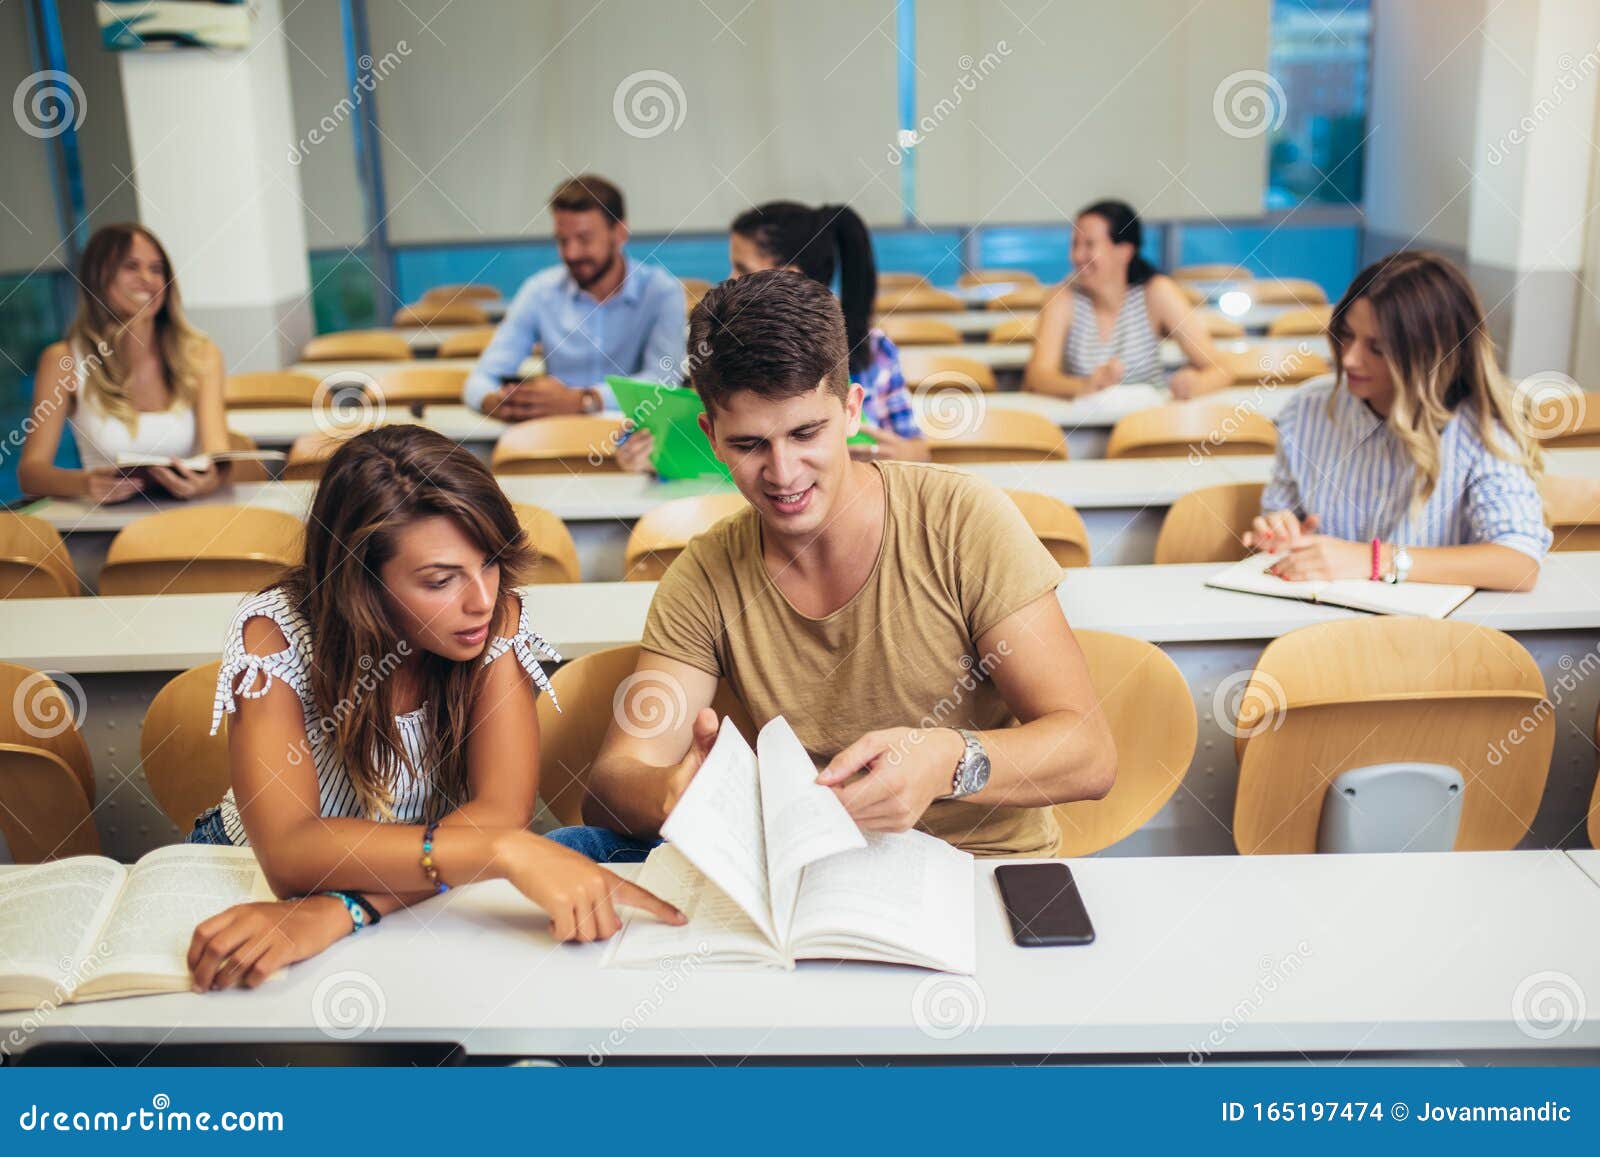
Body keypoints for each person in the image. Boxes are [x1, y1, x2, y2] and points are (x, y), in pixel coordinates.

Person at [550, 270, 1116, 864]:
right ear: (711, 437)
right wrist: (666, 792)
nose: (783, 472)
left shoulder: (962, 521)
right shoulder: (705, 573)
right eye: (749, 445)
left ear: (852, 410)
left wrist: (946, 761)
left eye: (805, 433)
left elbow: (1090, 754)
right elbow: (613, 782)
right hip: (808, 871)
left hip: (981, 869)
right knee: (575, 848)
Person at [184, 426, 680, 991]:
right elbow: (291, 852)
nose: (482, 601)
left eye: (489, 564)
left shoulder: (496, 616)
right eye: (441, 580)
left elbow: (500, 816)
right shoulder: (274, 633)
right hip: (255, 887)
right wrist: (490, 848)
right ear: (361, 584)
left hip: (418, 890)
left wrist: (344, 910)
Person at [1242, 250, 1550, 592]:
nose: (1350, 358)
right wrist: (1279, 535)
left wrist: (1374, 560)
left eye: (1378, 348)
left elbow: (1518, 563)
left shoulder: (1481, 429)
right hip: (1319, 625)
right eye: (1347, 335)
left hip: (1433, 637)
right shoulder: (1306, 410)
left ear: (1430, 356)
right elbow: (1278, 522)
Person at [617, 200, 926, 471]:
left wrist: (906, 453)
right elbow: (679, 423)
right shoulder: (716, 341)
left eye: (741, 267)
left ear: (788, 277)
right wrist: (644, 452)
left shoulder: (872, 351)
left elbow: (916, 448)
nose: (729, 279)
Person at [20, 224, 230, 504]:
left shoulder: (201, 353)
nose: (147, 279)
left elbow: (218, 457)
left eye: (156, 269)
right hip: (109, 529)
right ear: (99, 279)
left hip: (188, 519)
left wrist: (207, 482)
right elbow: (31, 474)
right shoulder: (62, 360)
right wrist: (85, 483)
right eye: (131, 267)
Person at [463, 174, 686, 420]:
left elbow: (665, 382)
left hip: (635, 441)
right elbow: (482, 377)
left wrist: (586, 400)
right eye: (562, 241)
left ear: (620, 233)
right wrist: (494, 401)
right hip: (557, 441)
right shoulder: (539, 291)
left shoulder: (662, 293)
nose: (571, 253)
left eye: (584, 239)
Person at [1023, 200, 1231, 399]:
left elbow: (1221, 369)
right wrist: (1085, 386)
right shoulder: (1062, 298)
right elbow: (1038, 376)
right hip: (1080, 428)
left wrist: (1195, 384)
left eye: (1089, 244)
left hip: (1146, 428)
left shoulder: (1156, 292)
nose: (1077, 255)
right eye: (1075, 244)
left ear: (1124, 251)